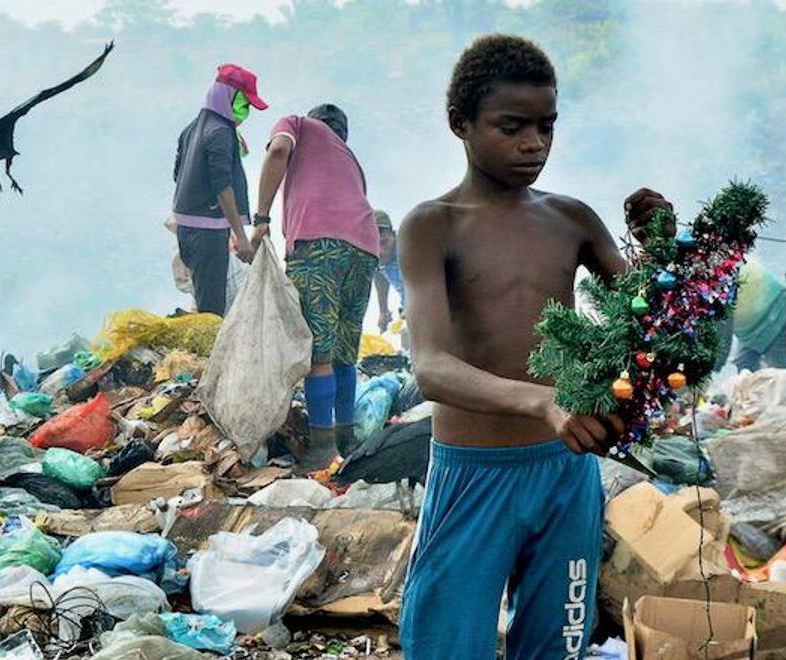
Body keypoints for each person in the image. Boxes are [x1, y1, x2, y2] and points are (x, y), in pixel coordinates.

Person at [397, 34, 670, 658]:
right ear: (459, 124)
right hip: (474, 475)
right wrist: (544, 405)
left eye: (547, 126)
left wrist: (663, 246)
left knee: (557, 643)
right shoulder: (432, 225)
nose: (534, 144)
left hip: (565, 473)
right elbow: (432, 366)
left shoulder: (570, 219)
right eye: (511, 126)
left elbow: (647, 322)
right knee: (444, 642)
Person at [255, 103, 378, 468]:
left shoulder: (299, 124)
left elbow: (278, 150)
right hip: (364, 248)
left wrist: (261, 218)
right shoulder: (351, 161)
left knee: (317, 350)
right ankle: (346, 437)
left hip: (319, 244)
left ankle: (323, 449)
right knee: (343, 350)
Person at [172, 63, 268, 316]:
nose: (246, 112)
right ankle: (209, 355)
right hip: (207, 234)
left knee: (205, 299)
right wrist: (241, 235)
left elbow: (177, 175)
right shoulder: (221, 132)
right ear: (228, 97)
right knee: (212, 311)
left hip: (188, 230)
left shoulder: (192, 129)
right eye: (244, 104)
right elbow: (222, 185)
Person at [730, 260, 786, 372]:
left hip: (777, 315)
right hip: (749, 330)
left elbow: (722, 327)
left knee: (782, 375)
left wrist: (715, 365)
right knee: (744, 367)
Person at [371, 210, 405, 333]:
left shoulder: (407, 249)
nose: (381, 252)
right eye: (373, 245)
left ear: (394, 235)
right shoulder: (374, 259)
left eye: (384, 242)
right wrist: (383, 311)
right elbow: (379, 273)